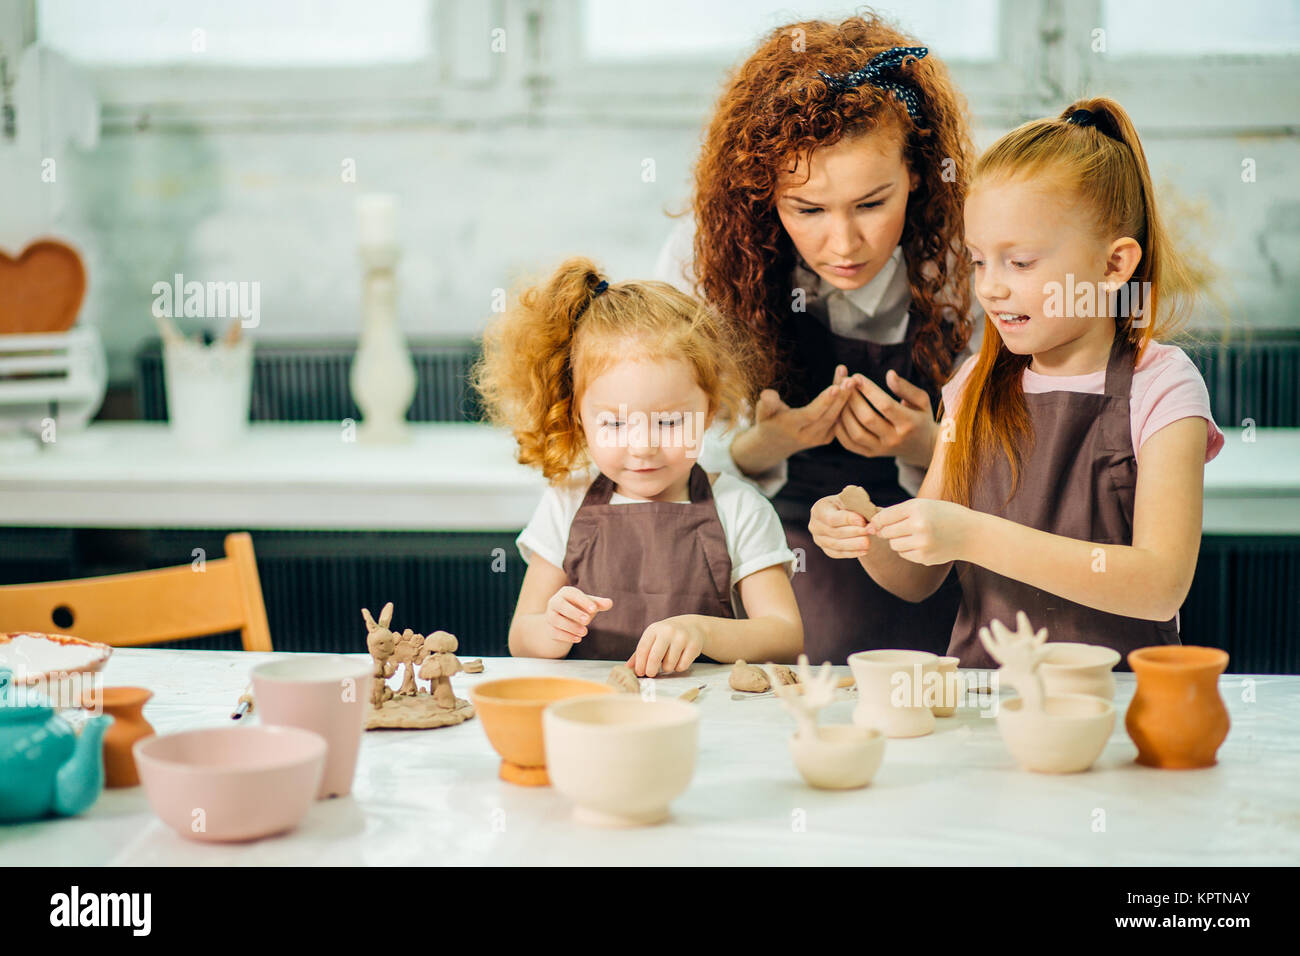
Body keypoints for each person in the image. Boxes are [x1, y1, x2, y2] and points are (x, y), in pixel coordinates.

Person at [808, 97, 1224, 668]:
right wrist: (869, 529)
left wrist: (970, 535)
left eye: (1020, 263)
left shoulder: (1163, 387)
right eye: (979, 262)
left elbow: (1159, 586)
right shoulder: (971, 387)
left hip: (1114, 703)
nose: (991, 290)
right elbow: (917, 578)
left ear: (1114, 265)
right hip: (986, 703)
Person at [655, 15, 982, 663]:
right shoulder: (704, 261)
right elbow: (654, 454)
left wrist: (930, 446)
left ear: (917, 173)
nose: (844, 245)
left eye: (871, 203)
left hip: (938, 558)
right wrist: (758, 447)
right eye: (807, 210)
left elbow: (1030, 458)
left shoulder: (972, 258)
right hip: (771, 561)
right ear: (762, 193)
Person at [472, 257, 802, 676]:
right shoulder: (566, 503)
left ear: (709, 411)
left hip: (706, 721)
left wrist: (701, 631)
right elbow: (522, 637)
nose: (643, 446)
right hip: (590, 715)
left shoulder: (740, 509)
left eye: (668, 421)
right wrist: (553, 627)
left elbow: (785, 637)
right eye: (614, 423)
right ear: (578, 417)